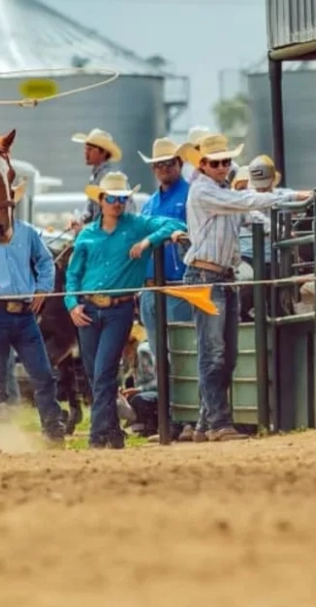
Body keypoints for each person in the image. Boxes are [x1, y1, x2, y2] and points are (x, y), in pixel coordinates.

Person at [179, 133, 312, 442]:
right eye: (217, 162)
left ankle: (205, 423)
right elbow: (245, 202)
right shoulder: (203, 191)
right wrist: (291, 198)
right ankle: (218, 423)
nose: (224, 166)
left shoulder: (218, 193)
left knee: (226, 356)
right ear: (204, 165)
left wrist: (275, 224)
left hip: (221, 278)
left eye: (226, 161)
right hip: (205, 278)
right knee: (214, 354)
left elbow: (250, 212)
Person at [65, 172, 187, 449]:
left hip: (117, 310)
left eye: (122, 199)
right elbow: (73, 276)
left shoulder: (137, 225)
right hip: (87, 309)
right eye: (112, 198)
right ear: (101, 200)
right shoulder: (86, 235)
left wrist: (147, 242)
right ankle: (114, 434)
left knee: (104, 371)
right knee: (96, 374)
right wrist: (72, 305)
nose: (117, 204)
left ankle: (97, 436)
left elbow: (175, 223)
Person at [0, 183, 67, 447]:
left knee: (43, 374)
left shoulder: (27, 233)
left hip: (24, 314)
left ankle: (52, 429)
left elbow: (45, 261)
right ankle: (0, 434)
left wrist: (43, 289)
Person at [136, 137, 195, 440]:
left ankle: (188, 417)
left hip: (177, 283)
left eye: (168, 163)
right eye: (158, 164)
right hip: (151, 287)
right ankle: (168, 417)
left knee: (183, 352)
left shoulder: (190, 196)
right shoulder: (149, 202)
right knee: (161, 356)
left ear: (179, 164)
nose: (163, 168)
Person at [70, 128, 136, 230]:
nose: (86, 153)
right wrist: (80, 220)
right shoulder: (94, 177)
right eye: (86, 149)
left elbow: (128, 210)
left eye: (90, 149)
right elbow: (91, 210)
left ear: (103, 152)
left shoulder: (112, 178)